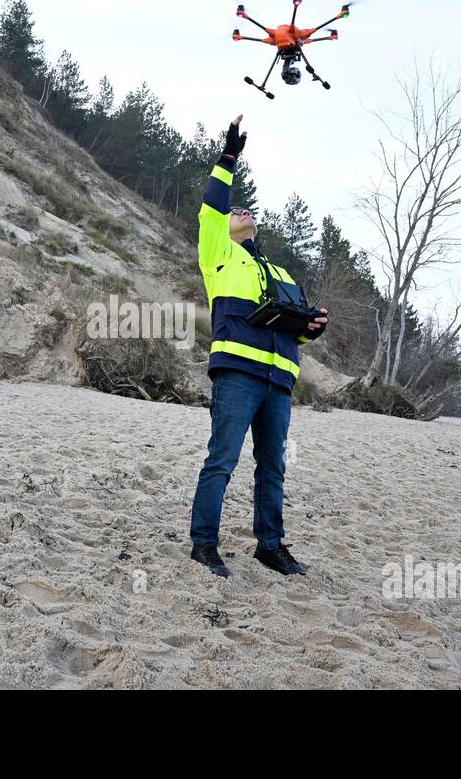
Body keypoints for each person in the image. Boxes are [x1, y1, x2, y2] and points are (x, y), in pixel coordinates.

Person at [188, 115, 329, 578]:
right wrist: (229, 156)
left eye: (246, 211)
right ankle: (204, 546)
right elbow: (212, 206)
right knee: (222, 461)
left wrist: (313, 327)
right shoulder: (219, 255)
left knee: (273, 469)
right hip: (237, 375)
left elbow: (298, 329)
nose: (240, 211)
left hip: (279, 381)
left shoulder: (282, 273)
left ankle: (270, 545)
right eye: (235, 213)